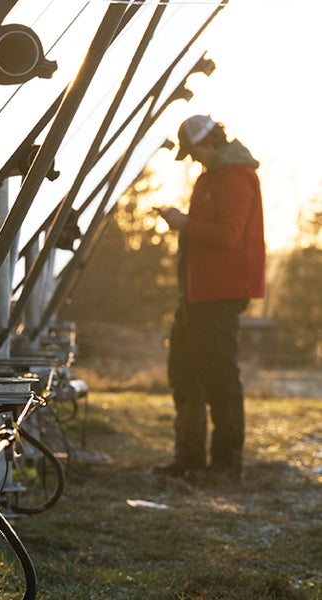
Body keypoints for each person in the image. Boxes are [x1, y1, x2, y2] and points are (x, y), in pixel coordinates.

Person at [153, 114, 265, 484]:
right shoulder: (208, 179)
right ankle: (189, 460)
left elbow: (229, 235)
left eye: (196, 151)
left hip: (221, 294)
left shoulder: (237, 177)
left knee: (219, 378)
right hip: (196, 294)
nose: (195, 159)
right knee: (184, 373)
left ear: (213, 142)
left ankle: (226, 465)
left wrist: (184, 223)